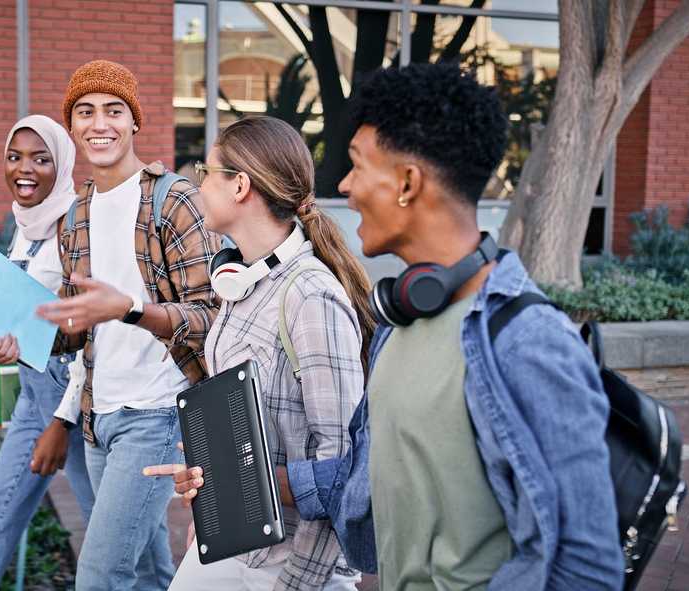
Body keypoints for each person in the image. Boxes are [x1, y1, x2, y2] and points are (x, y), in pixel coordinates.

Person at [174, 63, 625, 590]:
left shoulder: (528, 343)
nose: (344, 186)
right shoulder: (399, 323)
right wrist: (239, 485)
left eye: (357, 165)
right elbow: (361, 477)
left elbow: (586, 567)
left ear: (408, 183)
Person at [145, 116, 376, 590]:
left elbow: (340, 468)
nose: (197, 184)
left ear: (240, 185)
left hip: (290, 567)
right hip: (235, 546)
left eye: (206, 172)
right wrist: (210, 494)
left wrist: (296, 583)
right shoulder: (243, 282)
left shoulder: (311, 297)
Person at [29, 60, 222, 591]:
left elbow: (212, 317)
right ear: (71, 126)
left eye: (114, 111)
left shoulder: (174, 200)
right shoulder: (76, 216)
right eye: (85, 112)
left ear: (134, 121)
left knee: (98, 576)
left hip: (157, 413)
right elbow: (79, 327)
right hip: (100, 417)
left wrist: (130, 308)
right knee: (146, 571)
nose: (100, 124)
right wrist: (18, 336)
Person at [0, 114, 95, 591]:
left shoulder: (76, 230)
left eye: (41, 159)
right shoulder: (27, 221)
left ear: (63, 164)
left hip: (74, 403)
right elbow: (26, 318)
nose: (24, 169)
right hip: (34, 392)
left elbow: (92, 337)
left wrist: (60, 423)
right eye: (14, 157)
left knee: (108, 537)